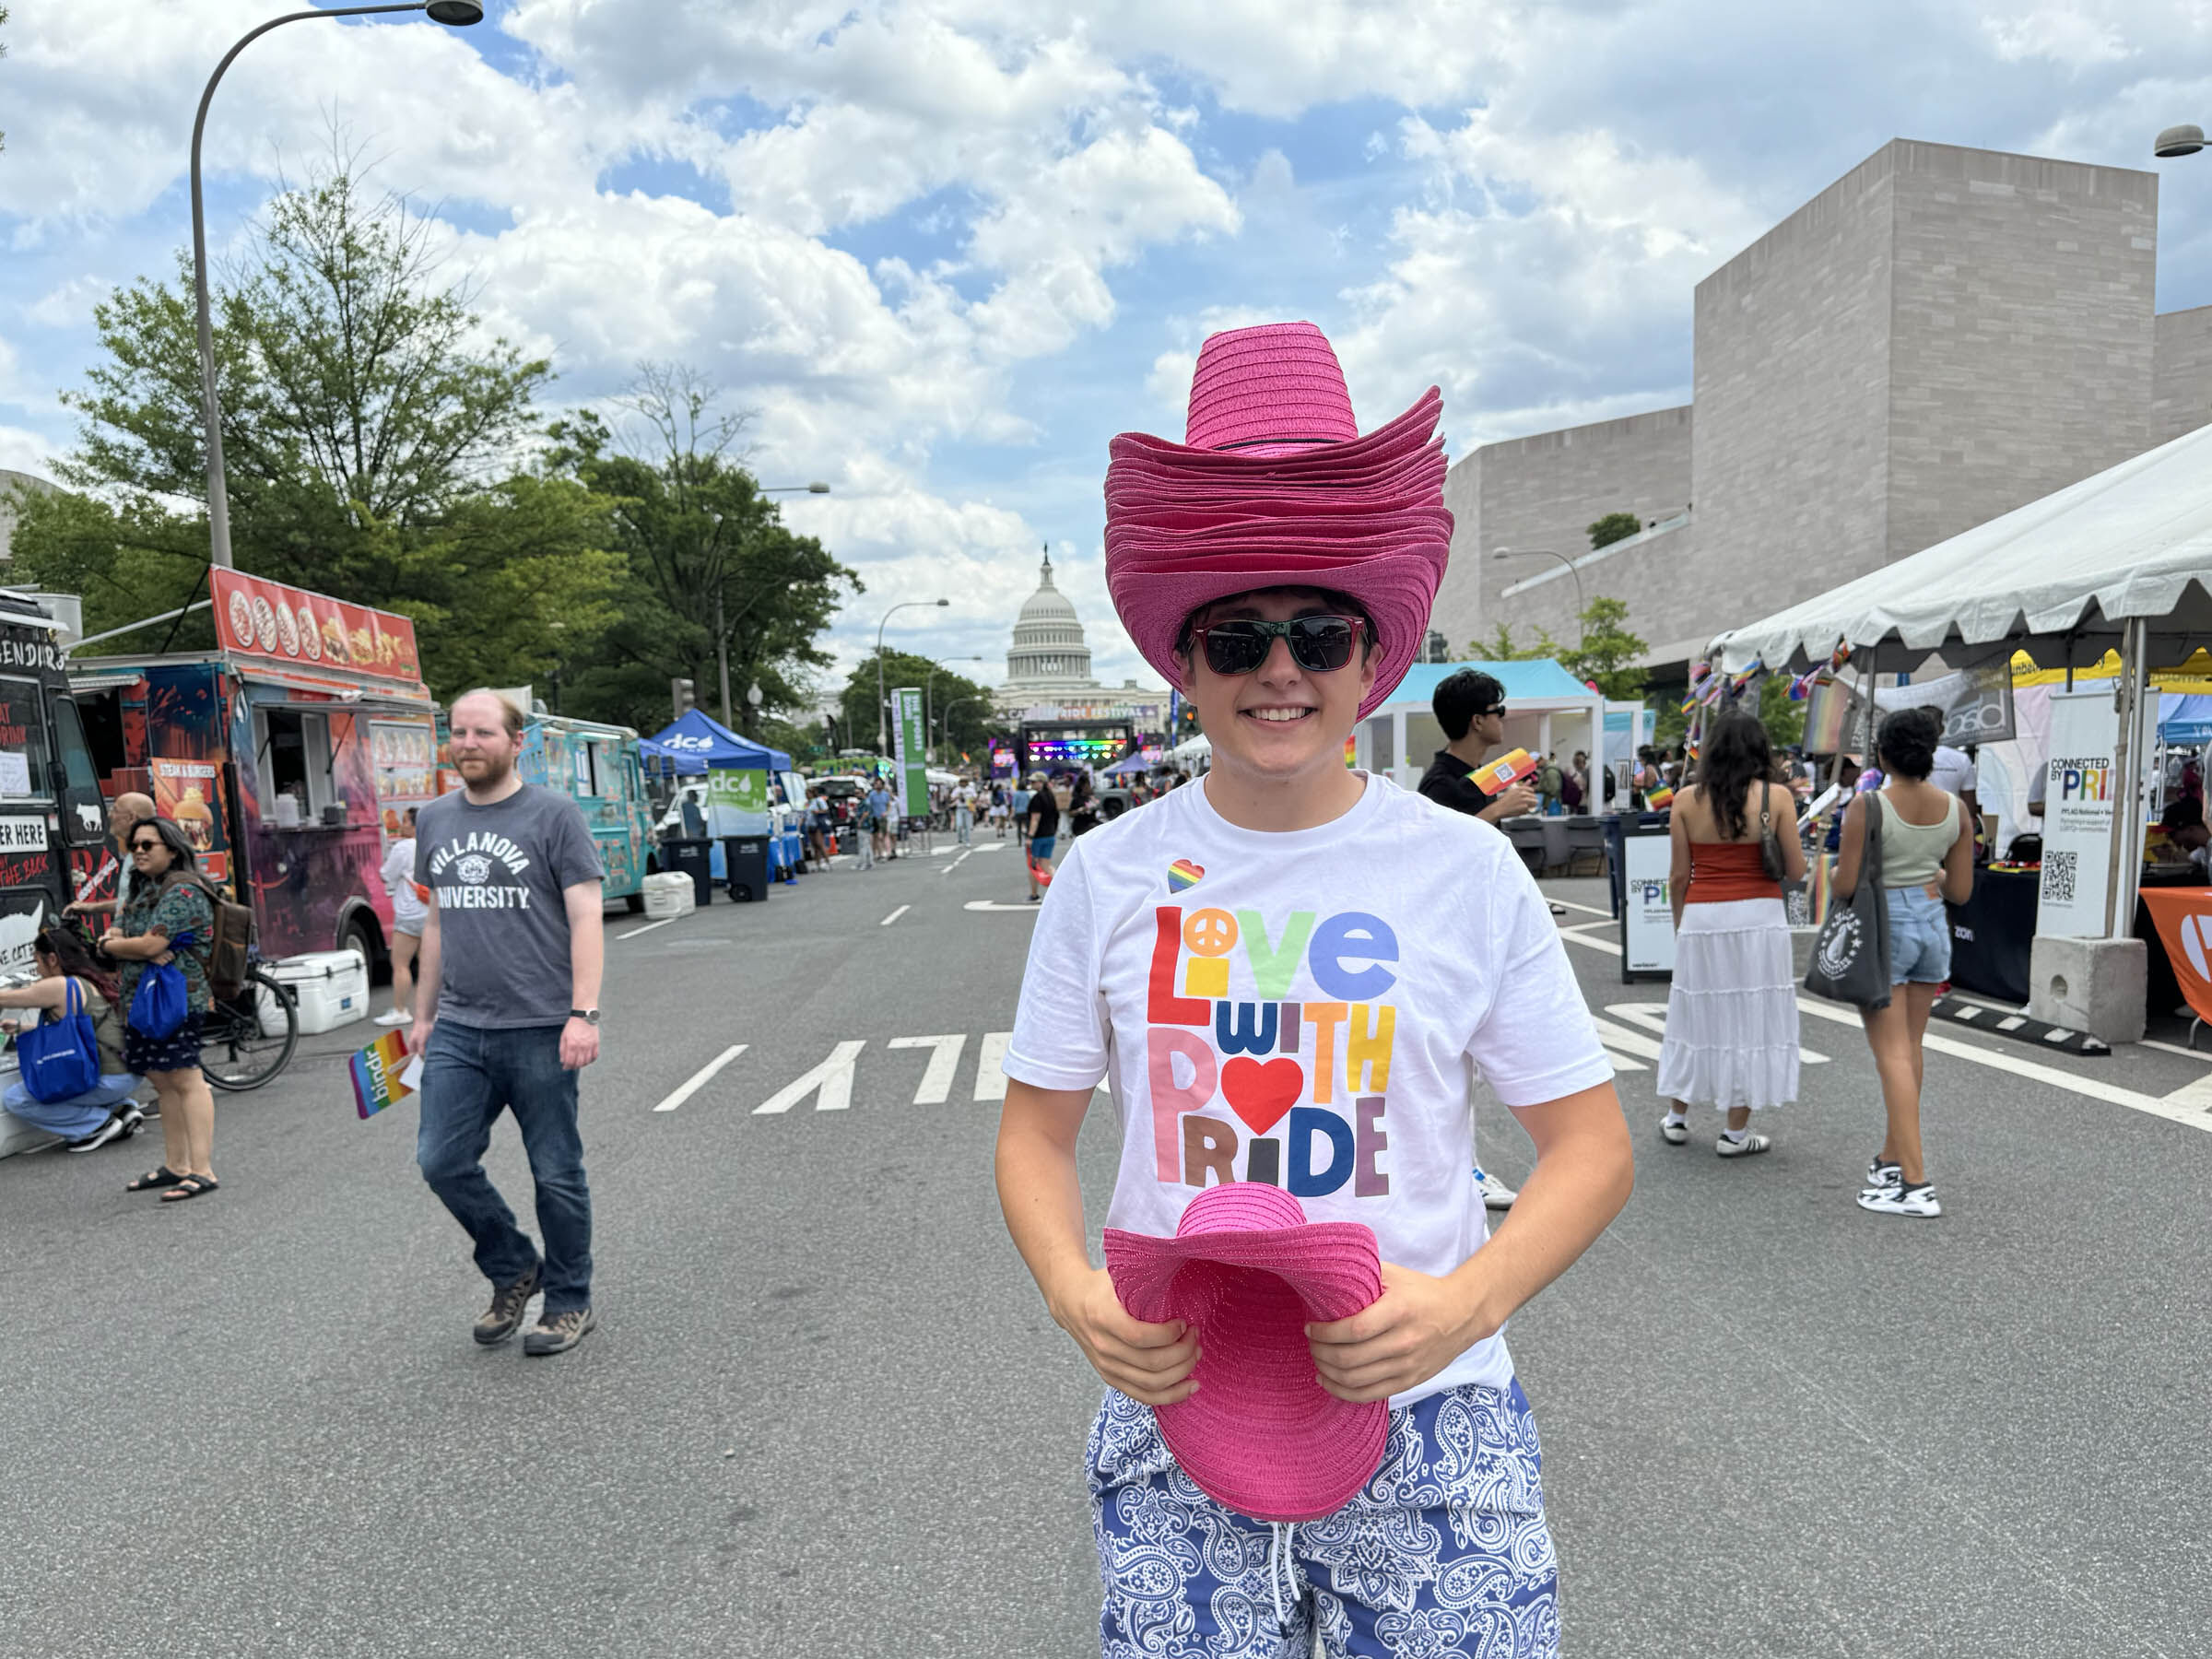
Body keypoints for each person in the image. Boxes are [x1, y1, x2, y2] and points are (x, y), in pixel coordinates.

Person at [994, 320, 1632, 1655]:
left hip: (1433, 1409)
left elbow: (1590, 1146)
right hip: (1182, 1407)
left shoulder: (1465, 869)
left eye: (1318, 632)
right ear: (1181, 660)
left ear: (1371, 655)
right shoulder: (1110, 877)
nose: (1280, 670)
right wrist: (1077, 1297)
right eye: (1236, 636)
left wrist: (1466, 1304)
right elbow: (1034, 1134)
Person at [412, 689, 606, 1357]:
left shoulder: (554, 816)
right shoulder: (434, 818)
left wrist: (583, 1014)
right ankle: (514, 1266)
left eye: (483, 732)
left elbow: (586, 917)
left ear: (516, 741)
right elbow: (437, 921)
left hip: (541, 1027)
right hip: (462, 1029)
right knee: (441, 1160)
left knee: (555, 1171)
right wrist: (423, 1013)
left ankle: (570, 1299)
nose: (467, 743)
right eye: (458, 732)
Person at [1833, 707, 1973, 1219]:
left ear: (1882, 754)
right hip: (1932, 925)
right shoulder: (1955, 810)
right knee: (1910, 1048)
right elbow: (1959, 889)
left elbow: (1846, 884)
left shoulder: (1867, 806)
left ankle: (1916, 1184)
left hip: (1884, 925)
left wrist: (1831, 878)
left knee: (1890, 1053)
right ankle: (1891, 1159)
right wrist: (1931, 872)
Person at [1656, 711, 1806, 1155]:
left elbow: (1679, 877)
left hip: (1703, 916)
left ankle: (1677, 1116)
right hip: (1759, 918)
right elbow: (1795, 870)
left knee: (1692, 1013)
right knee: (1750, 1017)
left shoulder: (1684, 800)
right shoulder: (1777, 797)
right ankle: (1735, 1133)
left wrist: (1682, 926)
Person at [104, 817, 218, 1202]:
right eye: (134, 845)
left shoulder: (183, 892)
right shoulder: (142, 888)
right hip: (143, 999)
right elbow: (128, 934)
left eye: (148, 845)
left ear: (172, 849)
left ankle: (202, 1170)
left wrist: (111, 946)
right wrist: (125, 941)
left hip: (177, 1001)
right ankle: (177, 1165)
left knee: (186, 1079)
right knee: (163, 1080)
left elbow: (150, 946)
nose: (138, 851)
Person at [0, 925, 144, 1152]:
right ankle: (121, 1109)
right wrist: (21, 1027)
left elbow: (4, 998)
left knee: (17, 1098)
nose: (37, 970)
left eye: (37, 962)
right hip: (125, 1073)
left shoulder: (60, 985)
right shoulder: (86, 981)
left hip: (107, 1077)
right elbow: (73, 1032)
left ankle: (97, 1124)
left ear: (53, 959)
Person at [1418, 669, 1540, 823]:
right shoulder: (1440, 784)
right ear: (1478, 721)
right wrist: (1498, 809)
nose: (1502, 718)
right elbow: (1438, 842)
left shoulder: (1478, 775)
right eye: (1498, 711)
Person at [65, 792, 156, 924]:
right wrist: (89, 908)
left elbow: (147, 904)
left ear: (131, 818)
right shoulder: (134, 852)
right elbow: (130, 902)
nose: (109, 815)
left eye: (115, 810)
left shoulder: (151, 854)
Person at [376, 806, 426, 1026]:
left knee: (400, 963)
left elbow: (387, 874)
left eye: (405, 821)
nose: (401, 824)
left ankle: (400, 1009)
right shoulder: (430, 843)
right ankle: (429, 1011)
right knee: (428, 965)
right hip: (432, 912)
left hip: (409, 913)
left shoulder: (403, 847)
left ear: (414, 826)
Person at [1023, 770, 1059, 902]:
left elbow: (1035, 819)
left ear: (1041, 783)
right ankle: (1059, 889)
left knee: (1033, 866)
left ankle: (1034, 894)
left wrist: (1030, 837)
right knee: (1046, 865)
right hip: (1049, 834)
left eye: (1034, 781)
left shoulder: (1037, 799)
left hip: (1038, 836)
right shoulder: (1050, 796)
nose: (1031, 783)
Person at [866, 779, 895, 862]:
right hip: (874, 817)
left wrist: (886, 812)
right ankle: (879, 853)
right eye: (876, 784)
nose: (878, 785)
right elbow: (869, 805)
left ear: (882, 785)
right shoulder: (872, 795)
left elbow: (888, 805)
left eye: (880, 784)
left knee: (884, 835)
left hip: (883, 818)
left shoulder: (885, 794)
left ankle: (888, 853)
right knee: (876, 837)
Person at [1067, 772, 1100, 839]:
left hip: (1092, 823)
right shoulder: (1077, 799)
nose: (1090, 788)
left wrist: (1095, 802)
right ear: (1083, 787)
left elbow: (1096, 809)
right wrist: (1080, 810)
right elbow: (1070, 814)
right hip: (1081, 826)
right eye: (1088, 786)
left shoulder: (1091, 798)